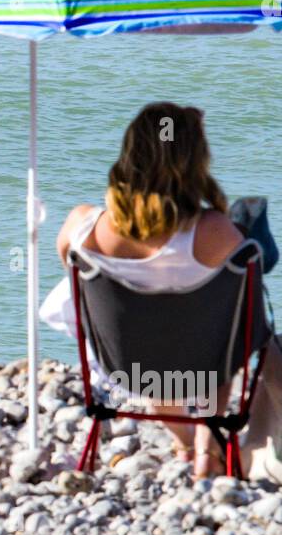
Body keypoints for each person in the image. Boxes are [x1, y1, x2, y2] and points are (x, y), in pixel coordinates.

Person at [54, 102, 243, 478]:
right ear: (194, 160)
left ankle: (186, 441)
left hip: (129, 367)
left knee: (151, 336)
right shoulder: (214, 230)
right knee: (227, 327)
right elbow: (245, 291)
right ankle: (208, 439)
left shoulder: (83, 226)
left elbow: (72, 276)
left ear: (130, 154)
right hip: (204, 367)